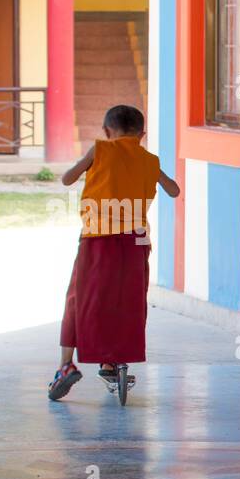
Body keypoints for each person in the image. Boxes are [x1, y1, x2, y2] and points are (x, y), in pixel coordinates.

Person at [48, 105, 180, 401]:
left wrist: (90, 163)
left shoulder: (99, 151)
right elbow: (174, 190)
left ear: (107, 132)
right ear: (142, 135)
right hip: (136, 242)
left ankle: (66, 365)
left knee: (79, 298)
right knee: (127, 299)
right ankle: (114, 361)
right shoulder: (149, 160)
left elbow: (67, 179)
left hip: (98, 239)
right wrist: (151, 173)